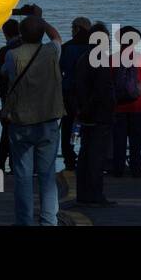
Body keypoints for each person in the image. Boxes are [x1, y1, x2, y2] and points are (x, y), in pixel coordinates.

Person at [0, 11, 65, 225]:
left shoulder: (13, 55)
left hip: (21, 121)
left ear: (20, 34)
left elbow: (5, 73)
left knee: (23, 176)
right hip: (48, 119)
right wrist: (42, 20)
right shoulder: (51, 52)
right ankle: (49, 220)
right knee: (47, 176)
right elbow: (56, 37)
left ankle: (24, 221)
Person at [73, 22, 116, 208]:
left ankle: (83, 193)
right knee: (97, 157)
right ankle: (96, 194)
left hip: (86, 114)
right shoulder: (101, 60)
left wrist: (81, 110)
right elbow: (102, 90)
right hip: (99, 115)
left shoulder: (83, 58)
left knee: (85, 154)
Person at [111, 25, 141, 177]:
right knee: (136, 139)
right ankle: (136, 168)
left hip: (118, 106)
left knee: (119, 139)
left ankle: (118, 168)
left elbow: (109, 82)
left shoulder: (112, 59)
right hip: (137, 105)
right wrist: (140, 95)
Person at [58, 16, 91, 171]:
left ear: (77, 29)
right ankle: (86, 156)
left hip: (69, 93)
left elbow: (59, 70)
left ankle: (69, 158)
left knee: (68, 127)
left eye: (72, 27)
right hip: (88, 95)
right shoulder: (93, 48)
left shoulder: (66, 48)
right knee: (87, 127)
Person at [0, 18, 23, 173]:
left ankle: (0, 165)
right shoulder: (26, 49)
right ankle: (15, 164)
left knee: (7, 133)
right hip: (26, 99)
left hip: (8, 98)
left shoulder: (4, 52)